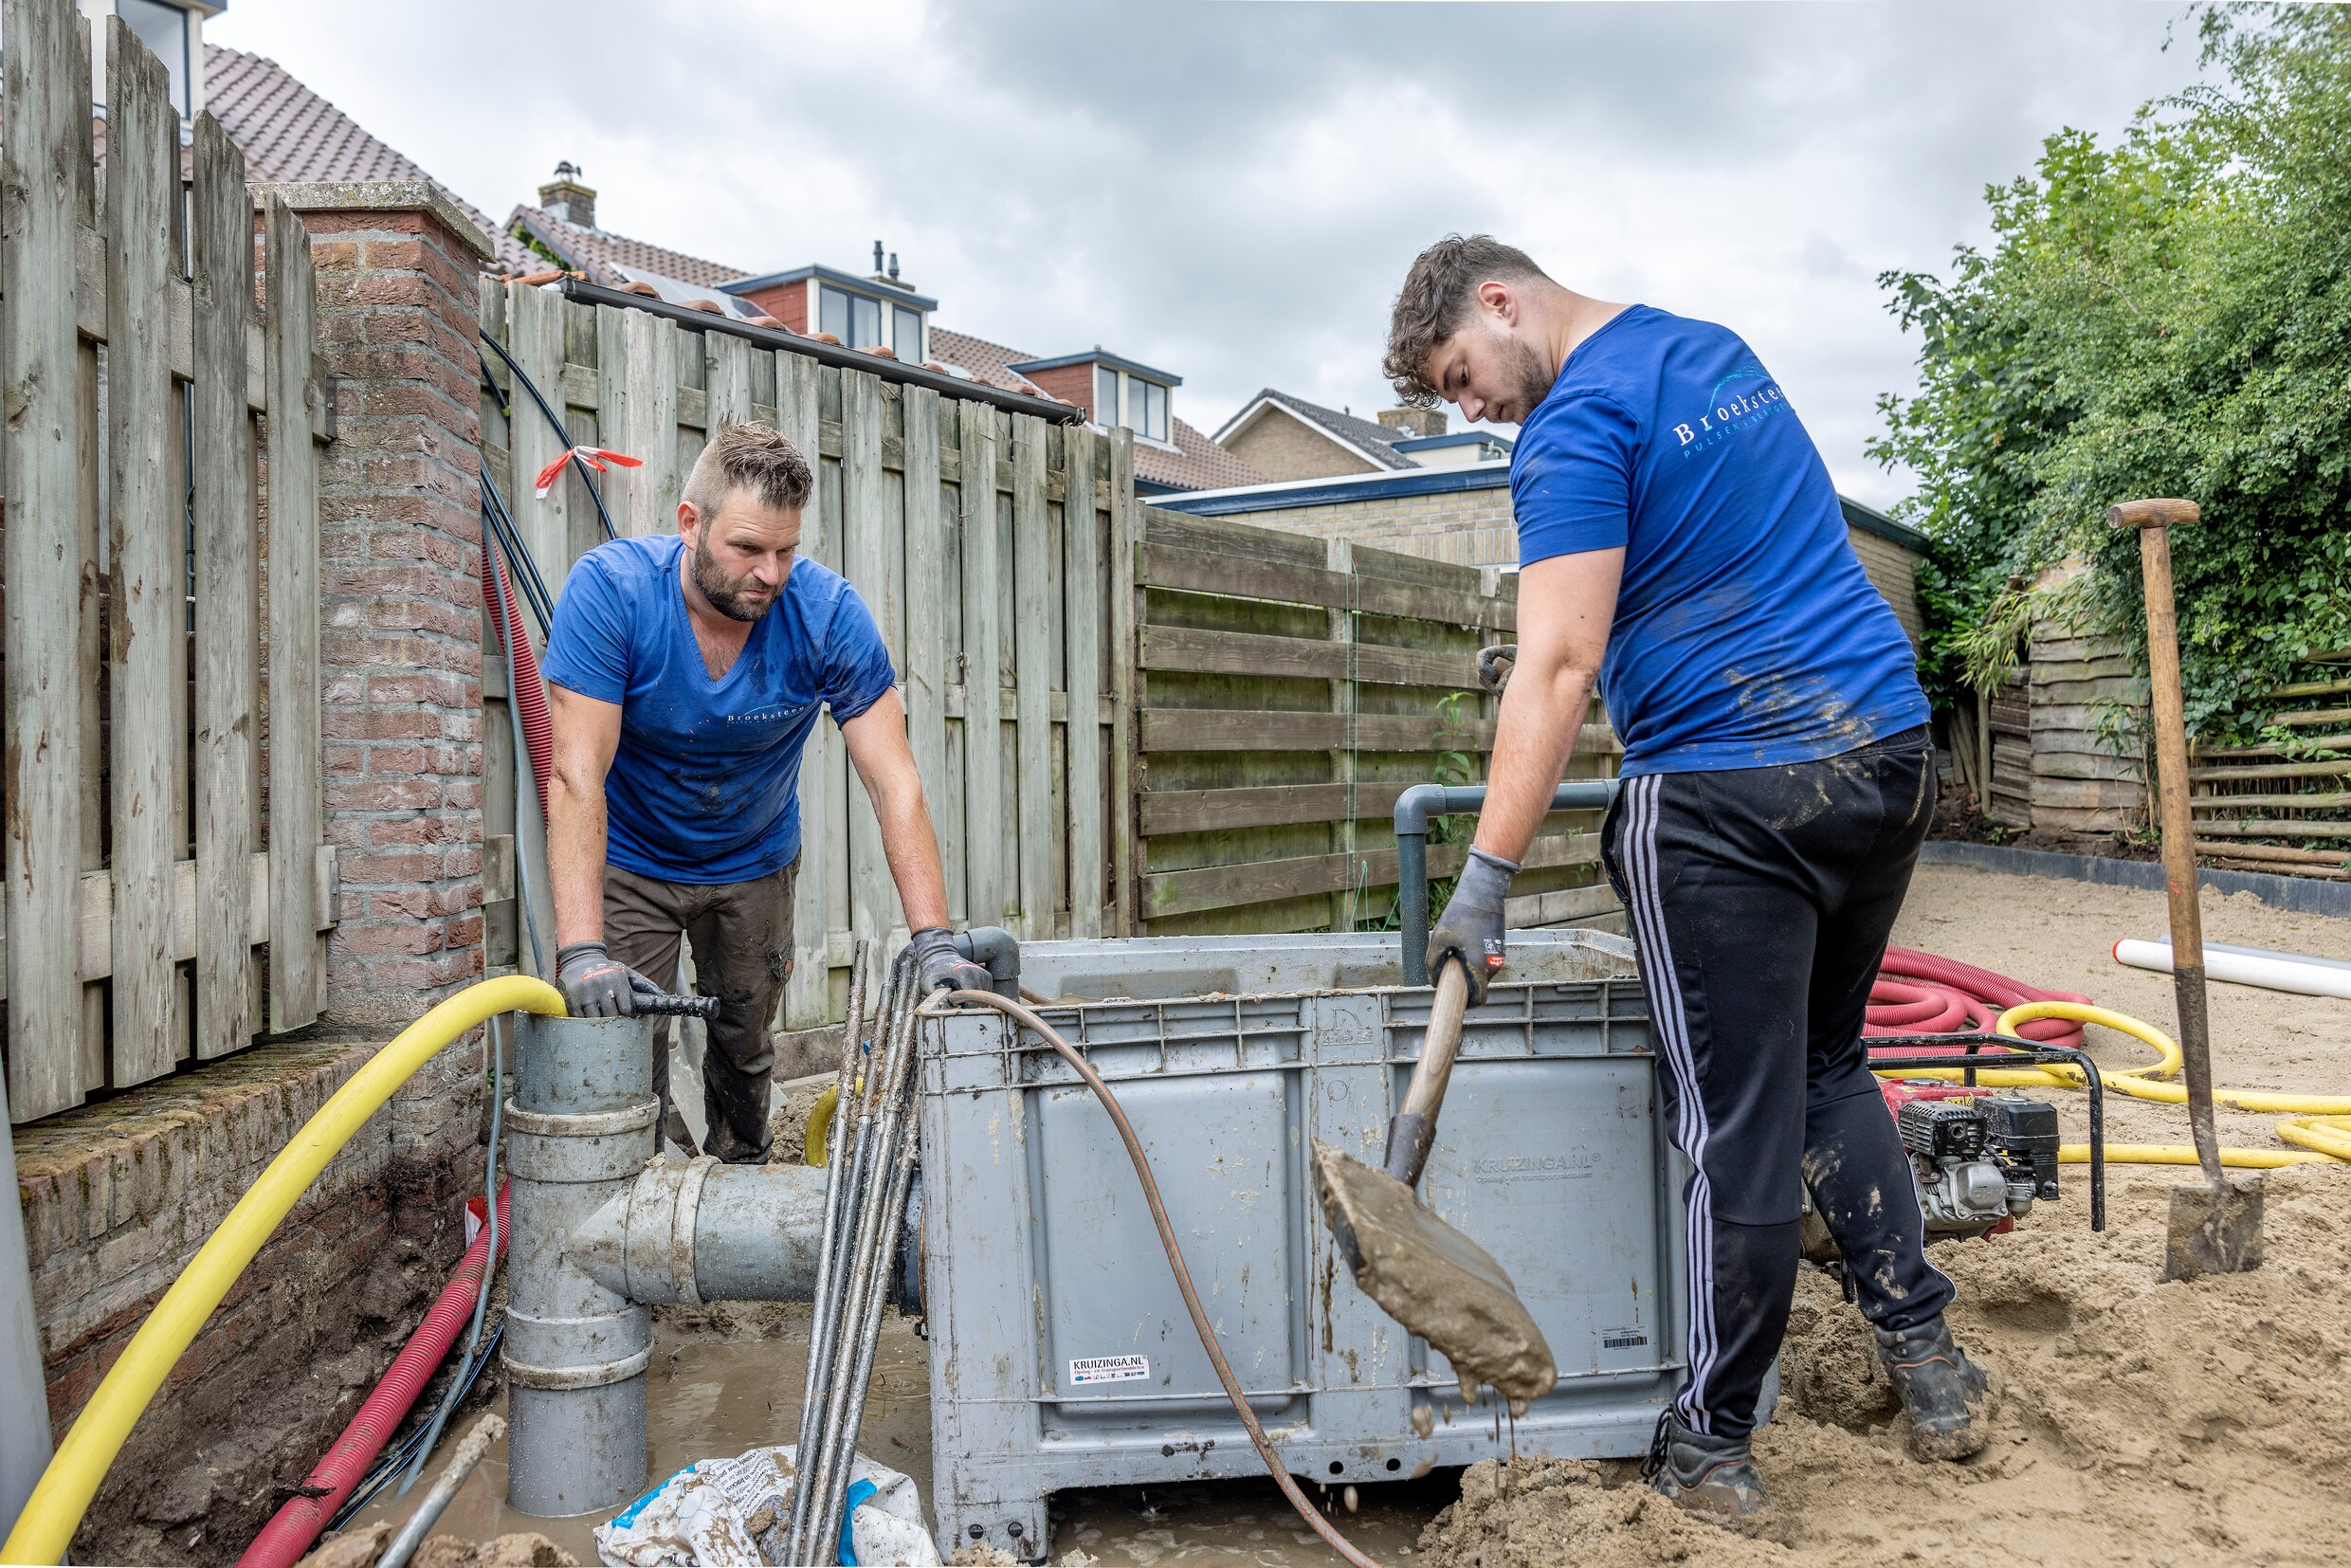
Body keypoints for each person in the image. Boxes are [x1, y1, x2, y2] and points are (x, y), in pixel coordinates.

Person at [1384, 236, 1992, 1532]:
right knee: (1830, 1066)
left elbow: (1556, 666)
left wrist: (1486, 873)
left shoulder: (1574, 428)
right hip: (1881, 757)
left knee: (1740, 1125)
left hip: (1734, 797)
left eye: (1462, 377)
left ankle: (1711, 1440)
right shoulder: (1710, 350)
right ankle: (1931, 1359)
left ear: (1499, 300)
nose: (1476, 411)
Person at [540, 420, 988, 1164]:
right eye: (747, 548)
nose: (770, 573)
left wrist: (934, 941)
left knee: (745, 1044)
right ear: (691, 523)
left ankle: (743, 1183)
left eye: (786, 550)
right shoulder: (612, 593)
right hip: (631, 861)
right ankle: (627, 1211)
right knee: (622, 1046)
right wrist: (582, 950)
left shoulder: (828, 615)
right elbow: (576, 775)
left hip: (754, 860)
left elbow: (893, 780)